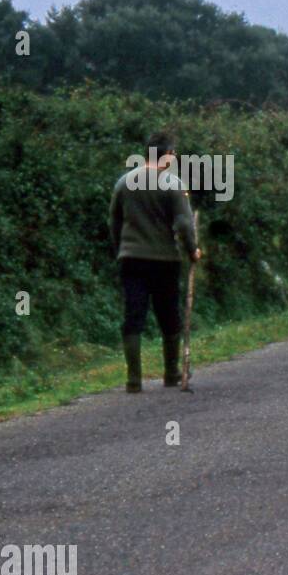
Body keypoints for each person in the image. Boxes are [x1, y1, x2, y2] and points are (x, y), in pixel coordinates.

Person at [109, 131, 201, 392]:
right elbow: (184, 223)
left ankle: (133, 379)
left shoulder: (124, 183)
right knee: (168, 315)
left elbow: (113, 221)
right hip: (164, 260)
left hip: (131, 259)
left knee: (133, 315)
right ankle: (171, 372)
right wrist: (192, 250)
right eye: (174, 154)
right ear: (168, 155)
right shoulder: (172, 184)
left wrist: (121, 249)